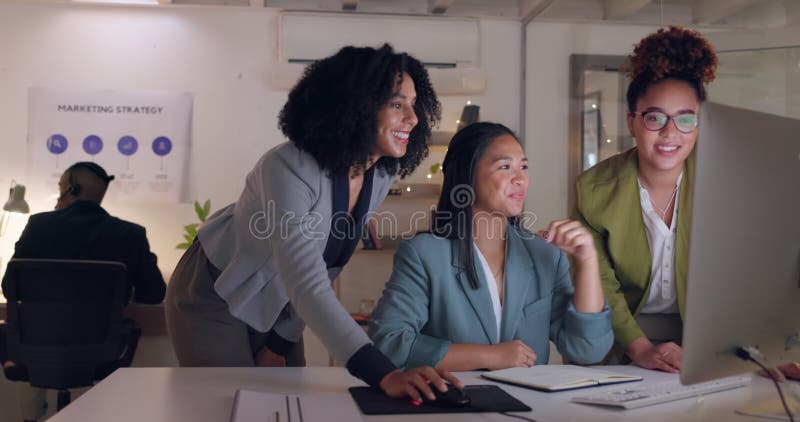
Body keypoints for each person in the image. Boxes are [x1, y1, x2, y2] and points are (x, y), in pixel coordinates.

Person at [165, 44, 461, 402]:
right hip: (213, 290)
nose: (413, 118)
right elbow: (305, 277)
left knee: (292, 398)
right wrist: (384, 374)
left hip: (279, 296)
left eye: (414, 104)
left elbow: (328, 264)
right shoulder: (286, 167)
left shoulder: (378, 175)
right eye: (398, 104)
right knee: (229, 404)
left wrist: (280, 341)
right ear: (354, 105)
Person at [368, 122, 613, 371]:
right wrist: (490, 356)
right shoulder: (424, 254)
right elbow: (389, 342)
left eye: (524, 167)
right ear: (467, 174)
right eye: (505, 167)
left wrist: (588, 261)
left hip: (531, 406)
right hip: (454, 404)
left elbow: (587, 350)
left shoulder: (545, 255)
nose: (520, 179)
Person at [576, 26, 717, 373]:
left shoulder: (725, 183)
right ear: (632, 122)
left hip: (710, 335)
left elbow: (747, 273)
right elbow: (600, 283)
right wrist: (640, 349)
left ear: (700, 125)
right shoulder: (594, 189)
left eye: (686, 119)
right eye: (655, 118)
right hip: (623, 337)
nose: (671, 133)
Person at [1, 161, 166, 422]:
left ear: (72, 189)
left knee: (31, 349)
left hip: (37, 350)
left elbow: (9, 286)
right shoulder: (130, 234)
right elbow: (154, 294)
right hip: (102, 353)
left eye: (60, 187)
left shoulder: (39, 225)